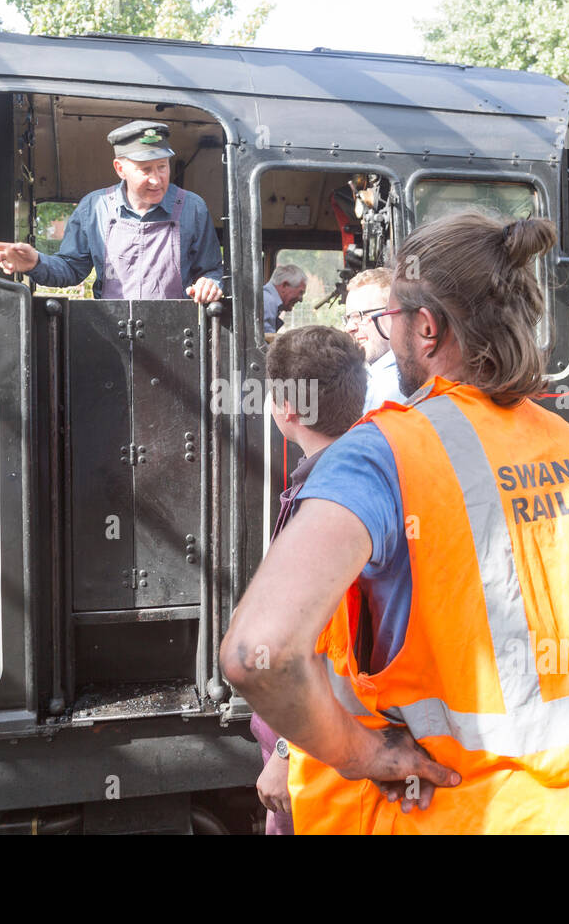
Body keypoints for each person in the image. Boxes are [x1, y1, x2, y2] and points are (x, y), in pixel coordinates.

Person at [221, 211, 569, 834]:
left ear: (425, 327)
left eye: (387, 319)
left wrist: (364, 754)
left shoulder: (382, 454)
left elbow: (258, 655)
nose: (385, 337)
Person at [250, 325, 367, 834]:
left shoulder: (326, 503)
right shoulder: (348, 477)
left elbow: (325, 649)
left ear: (287, 408)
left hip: (313, 760)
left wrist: (284, 752)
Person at [0, 120, 224, 302]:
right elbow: (72, 269)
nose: (156, 179)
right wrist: (36, 263)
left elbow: (211, 269)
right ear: (120, 168)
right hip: (112, 332)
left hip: (177, 335)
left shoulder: (193, 207)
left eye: (162, 167)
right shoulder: (94, 208)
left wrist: (210, 283)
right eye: (145, 170)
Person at [341, 267, 407, 412]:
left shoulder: (388, 390)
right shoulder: (372, 377)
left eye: (360, 316)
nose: (350, 328)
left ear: (393, 314)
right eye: (348, 318)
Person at [262, 264, 307, 333]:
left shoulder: (266, 298)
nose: (301, 300)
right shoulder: (268, 302)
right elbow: (267, 341)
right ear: (285, 285)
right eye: (300, 292)